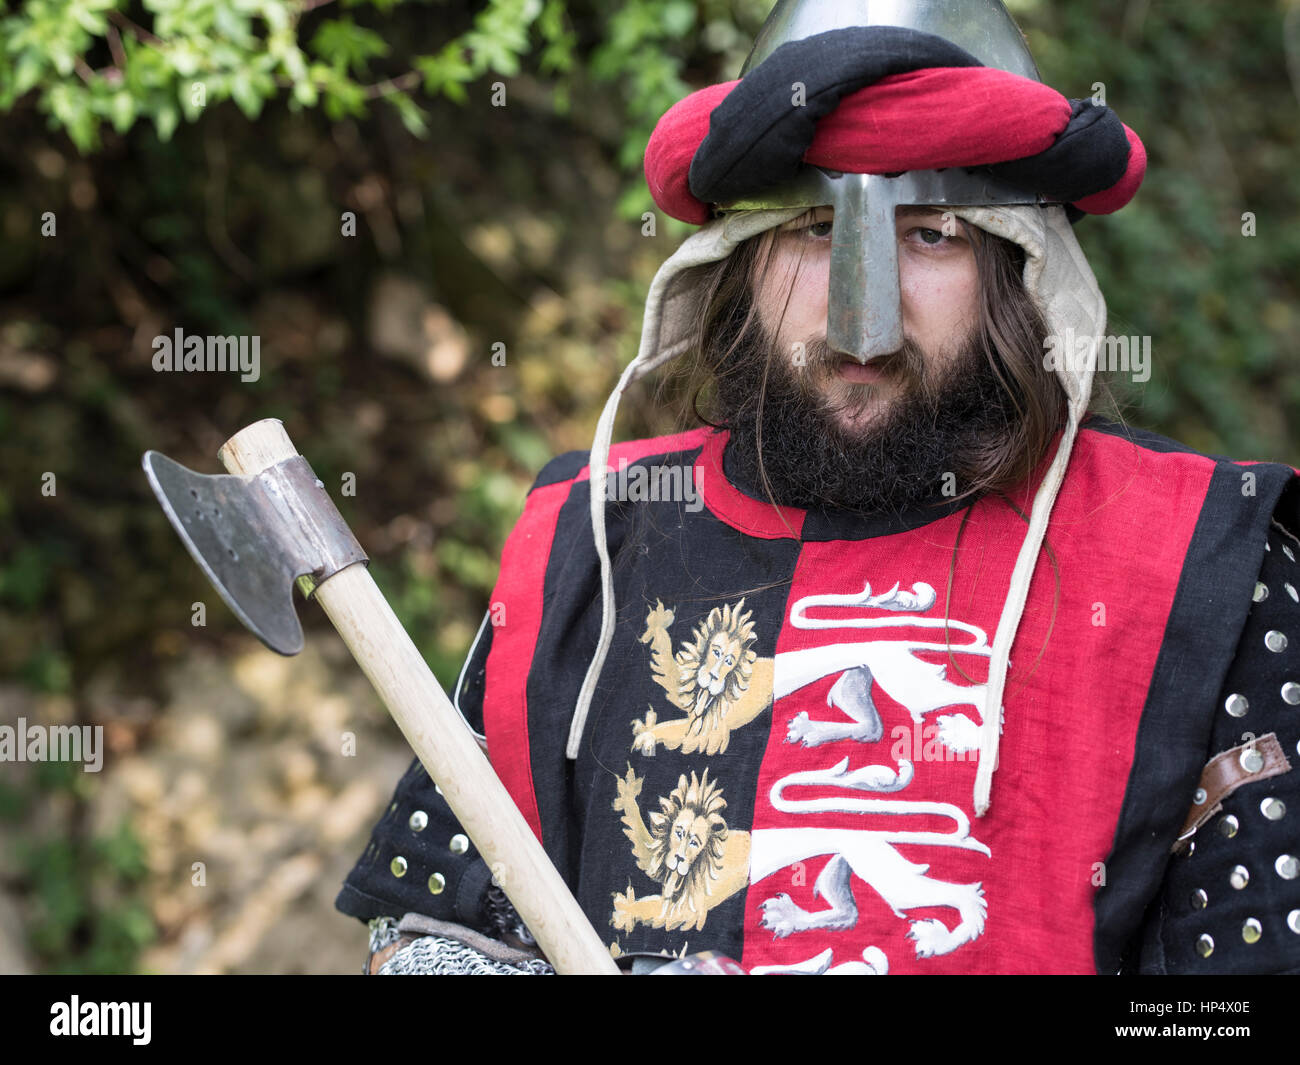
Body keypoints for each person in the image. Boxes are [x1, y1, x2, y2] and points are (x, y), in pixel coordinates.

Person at [336, 0, 1300, 975]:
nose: (860, 329)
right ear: (735, 264)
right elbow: (428, 933)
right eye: (808, 230)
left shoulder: (1202, 560)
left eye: (929, 236)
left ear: (1021, 265)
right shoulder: (585, 541)